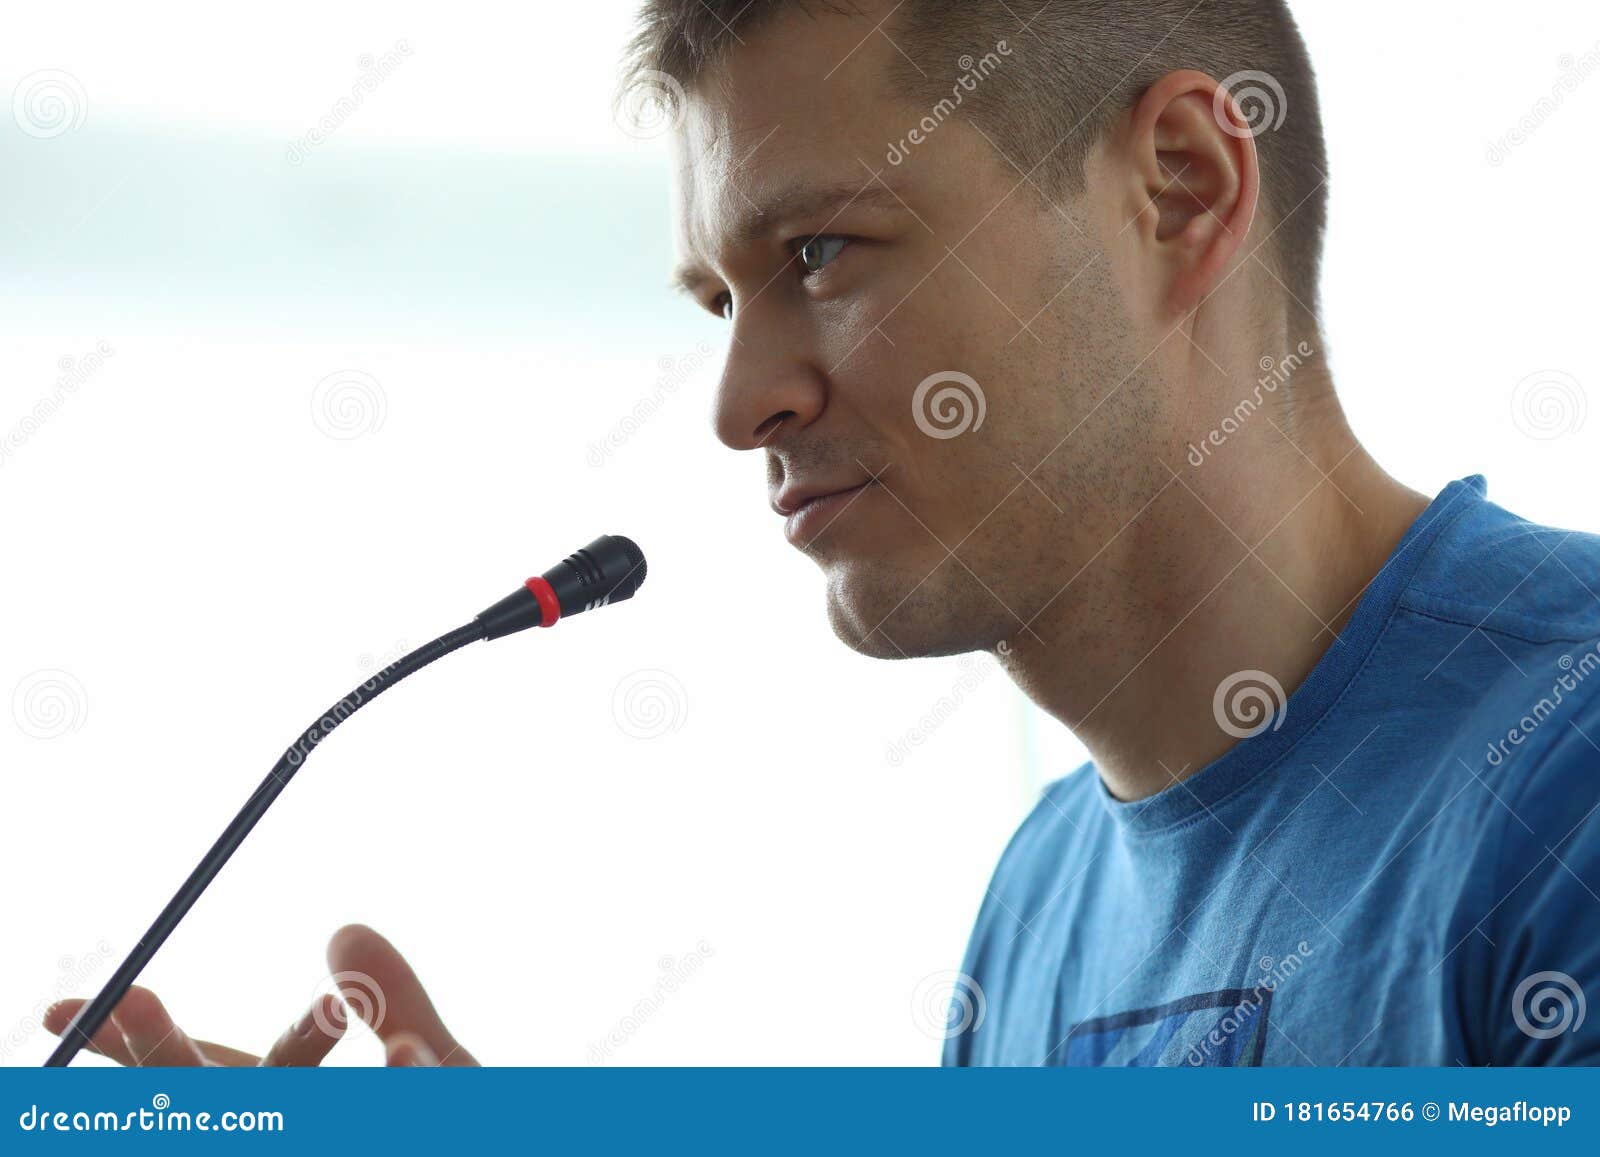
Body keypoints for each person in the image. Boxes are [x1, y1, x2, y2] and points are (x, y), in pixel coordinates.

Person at [48, 0, 1600, 1067]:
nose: (739, 402)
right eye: (722, 299)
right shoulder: (1042, 891)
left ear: (1181, 188)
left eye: (823, 252)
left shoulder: (1567, 763)